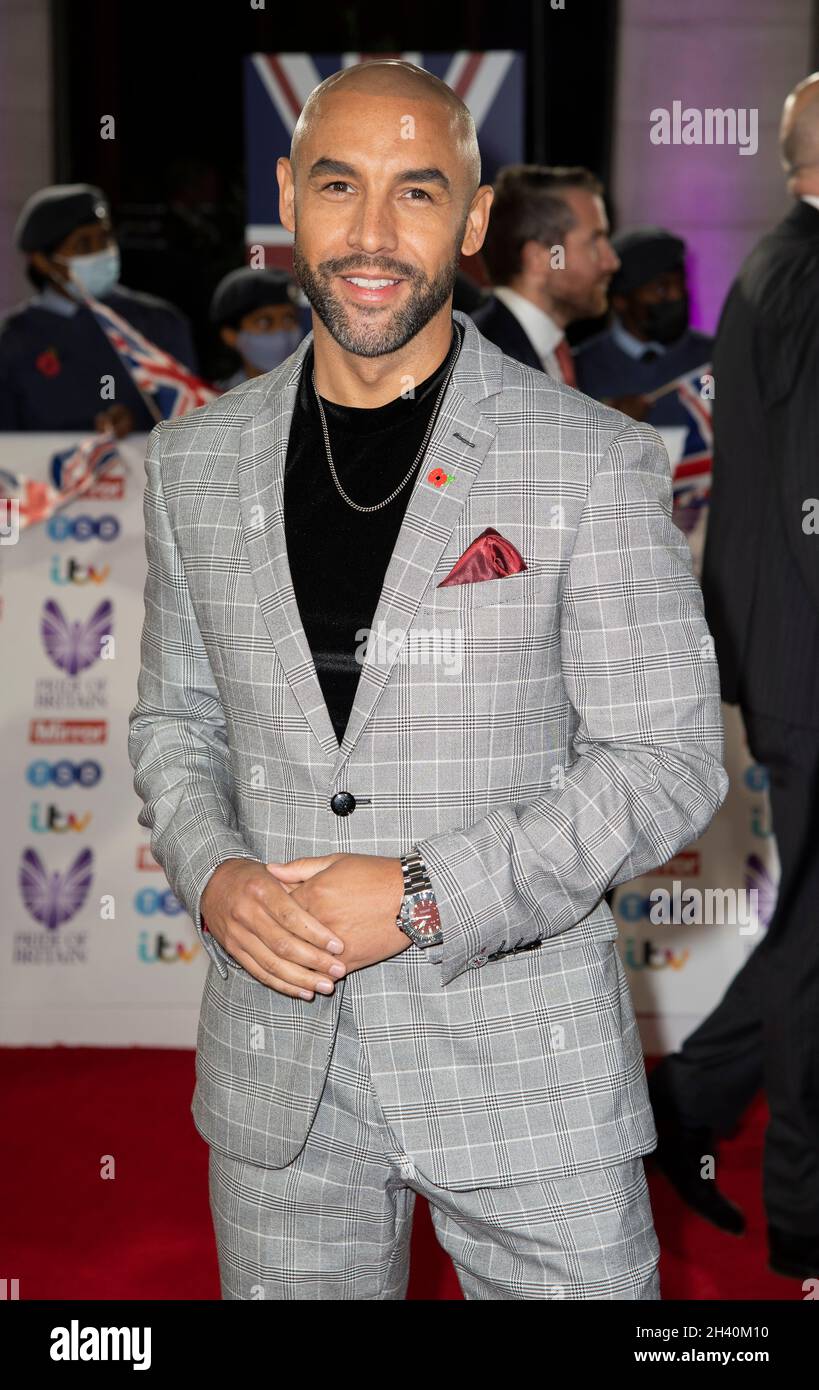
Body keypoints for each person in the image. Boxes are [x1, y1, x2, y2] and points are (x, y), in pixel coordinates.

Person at [128, 59, 728, 1301]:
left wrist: (415, 896)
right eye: (340, 186)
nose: (371, 234)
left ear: (471, 218)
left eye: (418, 193)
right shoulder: (192, 463)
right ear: (289, 199)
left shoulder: (590, 461)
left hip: (525, 1070)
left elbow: (669, 763)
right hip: (279, 1071)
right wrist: (219, 875)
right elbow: (173, 724)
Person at [647, 74, 819, 1281]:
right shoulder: (807, 277)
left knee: (812, 919)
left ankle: (690, 1101)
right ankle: (804, 1206)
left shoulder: (779, 270)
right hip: (811, 654)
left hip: (794, 653)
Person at [0, 183, 198, 434]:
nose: (101, 252)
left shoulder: (157, 323)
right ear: (42, 260)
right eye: (83, 245)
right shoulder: (12, 339)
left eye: (105, 238)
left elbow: (190, 423)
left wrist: (137, 424)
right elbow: (7, 443)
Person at [471, 164, 620, 385]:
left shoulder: (547, 350)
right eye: (594, 242)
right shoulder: (485, 363)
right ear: (540, 258)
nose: (612, 262)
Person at [575, 226, 713, 426]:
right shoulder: (581, 370)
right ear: (620, 301)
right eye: (661, 289)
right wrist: (606, 425)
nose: (677, 296)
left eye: (681, 284)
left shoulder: (712, 359)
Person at [209, 266, 304, 389]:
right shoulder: (212, 401)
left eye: (289, 319)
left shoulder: (319, 399)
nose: (281, 332)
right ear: (230, 335)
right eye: (264, 322)